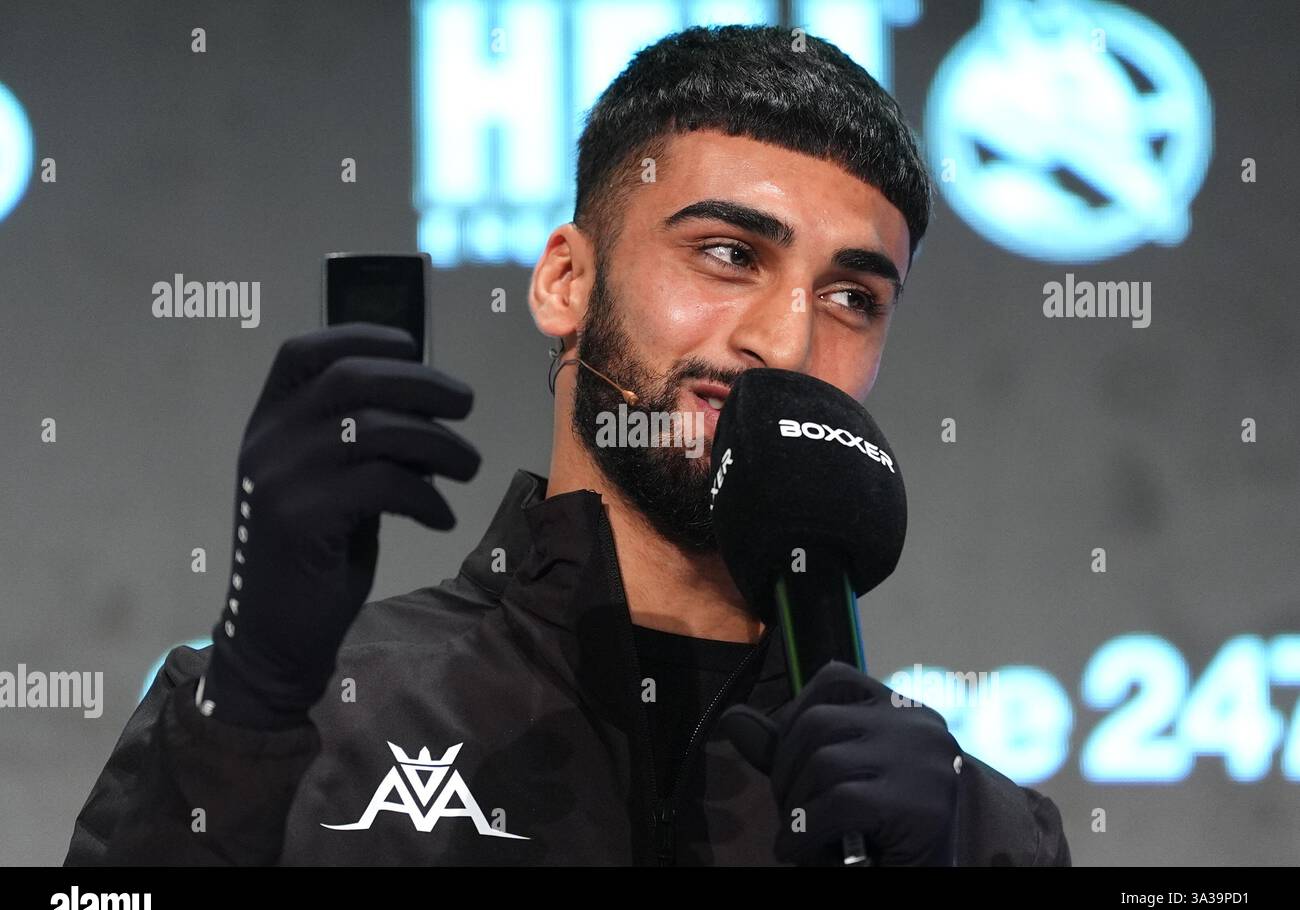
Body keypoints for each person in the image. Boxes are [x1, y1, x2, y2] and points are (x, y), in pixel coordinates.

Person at [64, 24, 1070, 866]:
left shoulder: (959, 821)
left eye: (853, 295)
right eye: (728, 254)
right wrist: (251, 696)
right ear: (564, 282)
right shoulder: (305, 720)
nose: (788, 339)